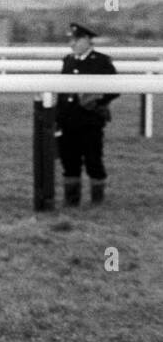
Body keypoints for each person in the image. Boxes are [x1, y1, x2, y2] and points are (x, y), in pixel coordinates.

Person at [57, 23, 118, 206]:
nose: (71, 44)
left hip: (90, 121)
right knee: (69, 162)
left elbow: (115, 89)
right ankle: (71, 201)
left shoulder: (101, 62)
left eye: (74, 40)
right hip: (68, 121)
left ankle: (97, 201)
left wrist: (97, 101)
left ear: (86, 40)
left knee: (93, 160)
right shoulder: (68, 60)